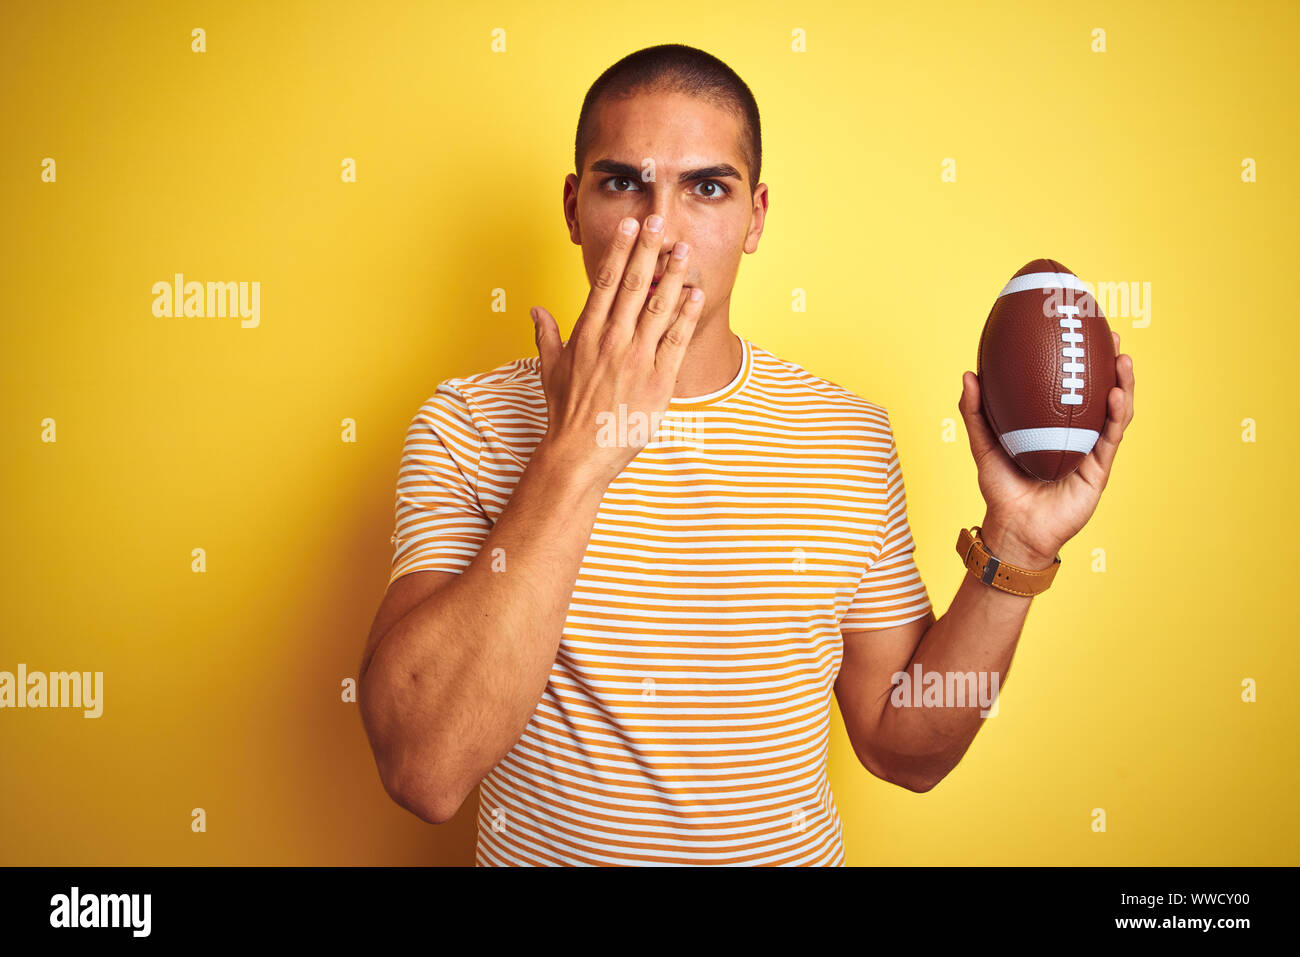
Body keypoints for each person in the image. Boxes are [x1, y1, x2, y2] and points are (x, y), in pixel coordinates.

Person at [357, 44, 1136, 866]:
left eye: (707, 187)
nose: (659, 228)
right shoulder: (468, 424)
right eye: (623, 182)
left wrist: (1016, 550)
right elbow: (423, 767)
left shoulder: (849, 437)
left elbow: (905, 749)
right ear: (571, 204)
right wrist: (578, 451)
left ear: (756, 215)